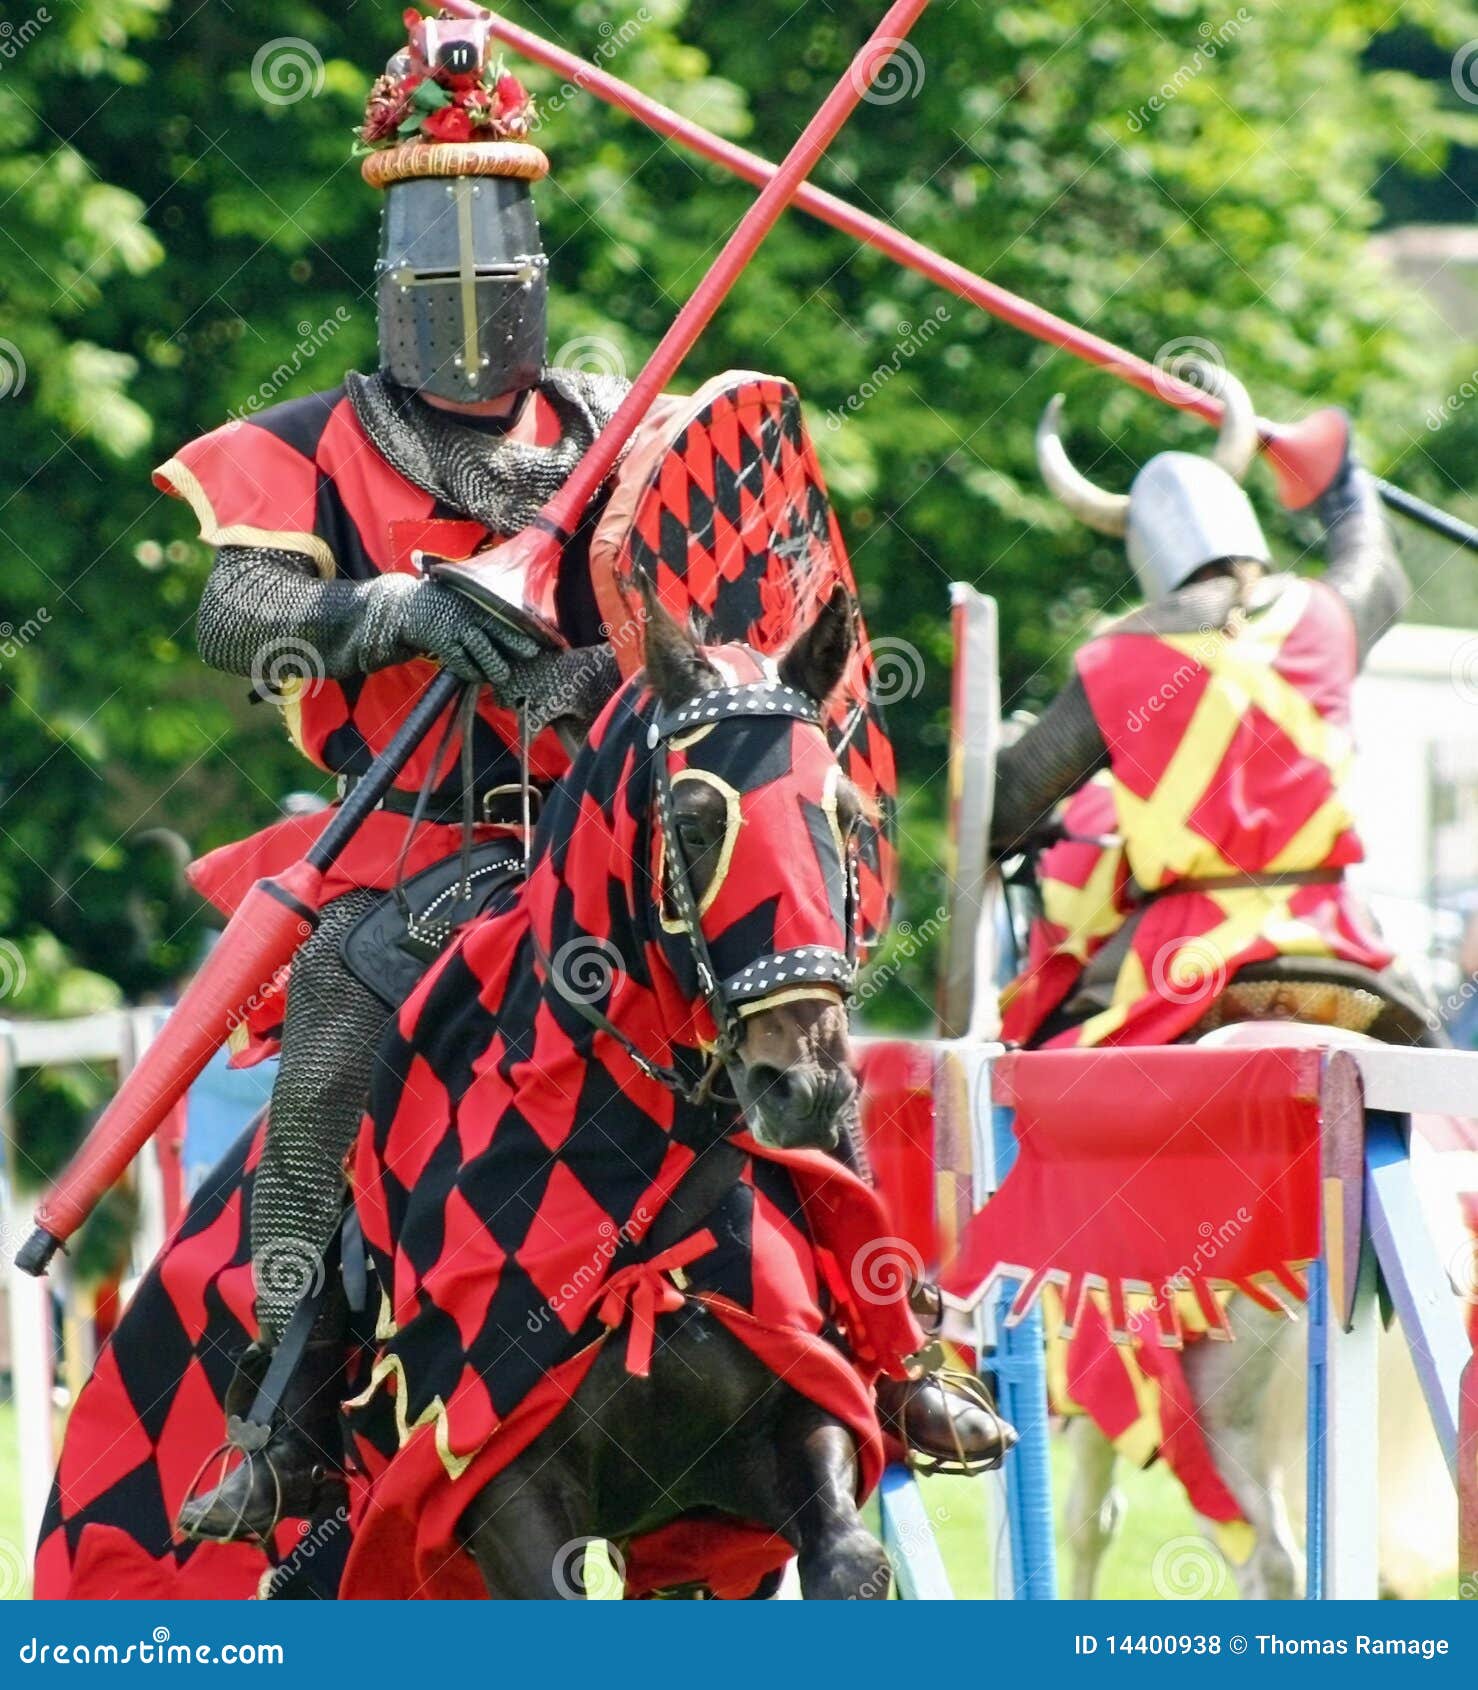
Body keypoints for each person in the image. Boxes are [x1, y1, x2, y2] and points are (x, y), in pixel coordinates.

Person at [167, 13, 1001, 1541]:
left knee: (790, 985)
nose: (477, 278)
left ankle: (896, 1346)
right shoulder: (306, 447)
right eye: (441, 238)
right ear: (390, 265)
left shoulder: (619, 443)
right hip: (412, 855)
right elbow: (237, 613)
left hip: (617, 834)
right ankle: (288, 1405)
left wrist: (584, 672)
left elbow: (718, 603)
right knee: (344, 1024)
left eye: (503, 235)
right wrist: (399, 610)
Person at [994, 364, 1413, 1050]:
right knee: (1439, 1084)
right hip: (1334, 938)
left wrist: (1005, 758)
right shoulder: (1327, 614)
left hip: (1185, 958)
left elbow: (1011, 803)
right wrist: (1344, 482)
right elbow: (1377, 564)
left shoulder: (1116, 659)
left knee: (1044, 1063)